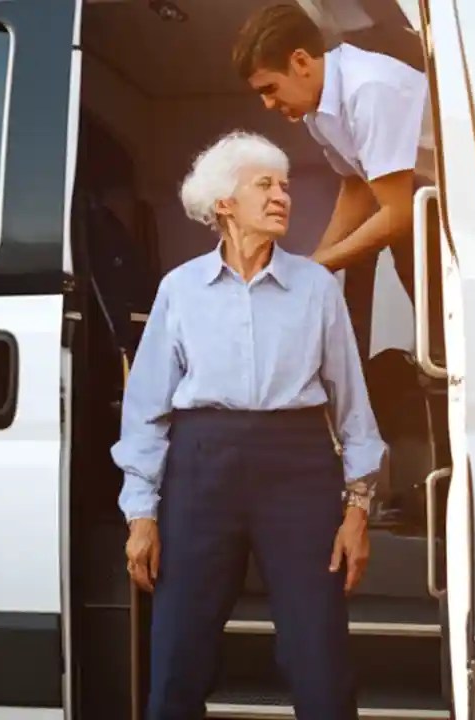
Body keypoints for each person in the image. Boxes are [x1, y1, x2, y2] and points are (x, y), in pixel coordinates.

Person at [112, 130, 386, 720]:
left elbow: (354, 411)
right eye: (264, 184)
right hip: (202, 465)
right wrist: (141, 515)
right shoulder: (180, 290)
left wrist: (358, 509)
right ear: (224, 203)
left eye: (285, 185)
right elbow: (145, 412)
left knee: (319, 654)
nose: (282, 196)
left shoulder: (316, 288)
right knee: (179, 649)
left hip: (299, 468)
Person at [231, 2, 437, 361]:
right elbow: (356, 186)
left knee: (440, 328)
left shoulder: (367, 89)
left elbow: (398, 212)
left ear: (300, 63)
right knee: (347, 265)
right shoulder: (317, 111)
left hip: (451, 204)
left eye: (270, 88)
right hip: (414, 199)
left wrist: (317, 266)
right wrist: (317, 261)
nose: (267, 104)